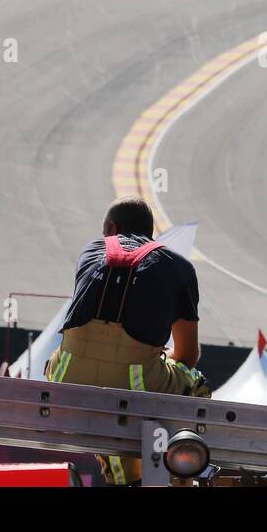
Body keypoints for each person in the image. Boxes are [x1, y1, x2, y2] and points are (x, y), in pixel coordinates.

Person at [46, 196, 209, 485]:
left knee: (107, 405)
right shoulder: (178, 267)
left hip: (64, 376)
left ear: (110, 227)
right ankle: (179, 474)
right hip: (134, 380)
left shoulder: (90, 251)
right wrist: (160, 356)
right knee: (194, 383)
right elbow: (187, 355)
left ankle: (120, 479)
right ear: (150, 234)